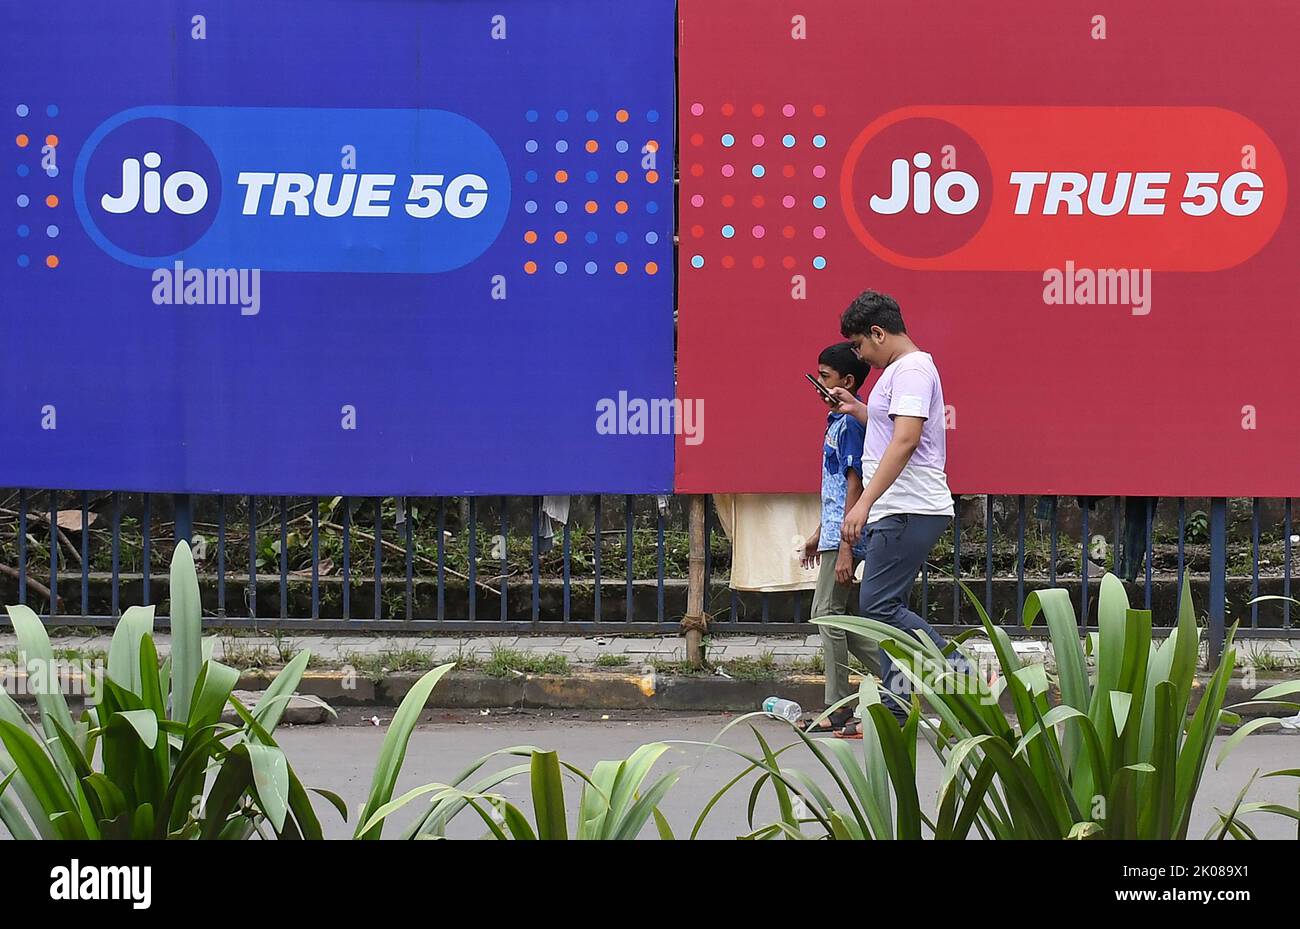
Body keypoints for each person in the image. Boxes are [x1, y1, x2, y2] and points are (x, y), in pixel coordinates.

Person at [829, 290, 962, 728]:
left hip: (907, 506)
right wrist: (859, 410)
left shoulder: (912, 371)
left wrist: (863, 504)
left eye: (860, 346)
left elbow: (906, 441)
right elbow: (895, 431)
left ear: (879, 333)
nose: (860, 356)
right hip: (902, 507)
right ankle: (896, 706)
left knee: (880, 608)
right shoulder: (903, 372)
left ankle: (965, 679)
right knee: (889, 607)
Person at [796, 342, 879, 735]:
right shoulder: (838, 423)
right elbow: (834, 489)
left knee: (826, 615)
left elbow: (854, 484)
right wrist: (819, 532)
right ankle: (904, 680)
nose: (819, 385)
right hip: (835, 533)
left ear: (847, 382)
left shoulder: (848, 425)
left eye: (825, 378)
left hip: (845, 536)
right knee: (847, 623)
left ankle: (838, 705)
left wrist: (843, 545)